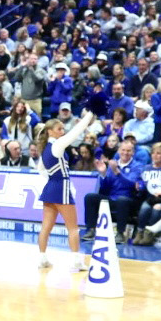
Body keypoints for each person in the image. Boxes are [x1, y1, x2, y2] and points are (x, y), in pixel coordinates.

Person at [32, 109, 95, 270]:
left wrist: (53, 178)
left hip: (50, 187)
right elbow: (76, 131)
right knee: (73, 228)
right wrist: (89, 115)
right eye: (59, 129)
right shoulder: (57, 144)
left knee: (46, 226)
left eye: (62, 128)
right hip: (61, 187)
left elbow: (41, 170)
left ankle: (42, 258)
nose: (63, 131)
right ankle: (77, 261)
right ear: (50, 131)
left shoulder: (45, 148)